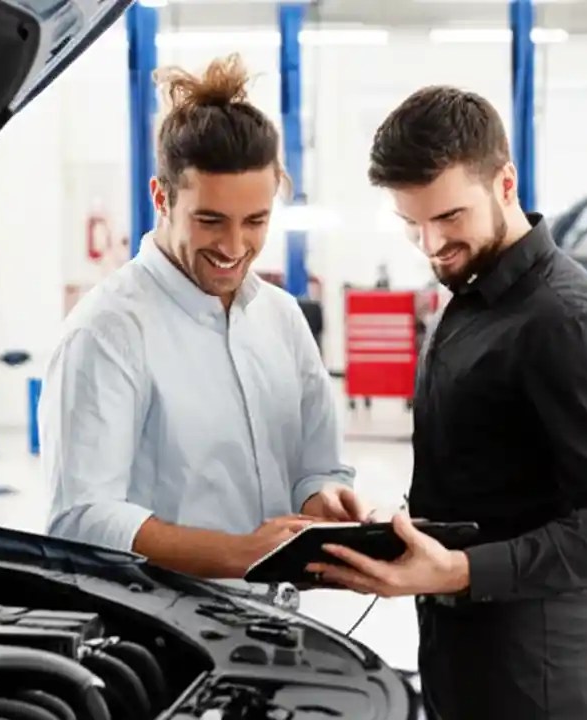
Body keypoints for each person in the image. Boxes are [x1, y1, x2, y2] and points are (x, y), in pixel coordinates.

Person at [306, 86, 587, 719]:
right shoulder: (475, 295)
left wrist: (460, 570)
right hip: (462, 645)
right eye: (411, 223)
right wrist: (402, 532)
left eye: (449, 217)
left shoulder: (567, 323)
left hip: (535, 665)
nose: (430, 243)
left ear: (505, 183)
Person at [40, 53, 369, 581]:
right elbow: (81, 518)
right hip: (159, 621)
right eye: (210, 221)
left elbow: (318, 467)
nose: (234, 247)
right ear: (161, 198)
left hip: (280, 615)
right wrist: (241, 554)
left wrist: (322, 500)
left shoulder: (282, 318)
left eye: (256, 221)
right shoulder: (106, 331)